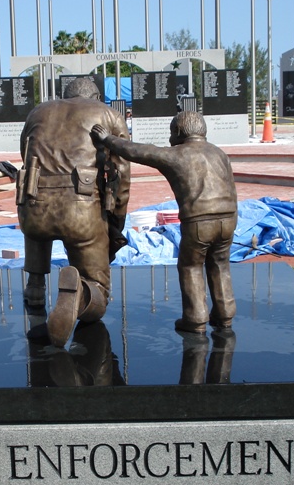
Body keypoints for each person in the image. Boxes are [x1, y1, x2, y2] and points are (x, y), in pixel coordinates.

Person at [91, 110, 238, 334]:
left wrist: (107, 139)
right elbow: (232, 189)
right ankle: (225, 314)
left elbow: (137, 151)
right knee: (220, 264)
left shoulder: (176, 154)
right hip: (228, 218)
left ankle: (195, 318)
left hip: (198, 221)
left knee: (190, 266)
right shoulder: (219, 153)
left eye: (171, 133)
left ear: (178, 131)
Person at [17, 78, 130, 347]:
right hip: (82, 208)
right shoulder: (108, 114)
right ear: (97, 97)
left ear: (64, 95)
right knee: (99, 290)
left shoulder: (37, 112)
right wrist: (117, 219)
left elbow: (26, 154)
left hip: (34, 207)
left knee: (37, 217)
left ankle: (35, 287)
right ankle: (79, 295)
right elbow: (121, 173)